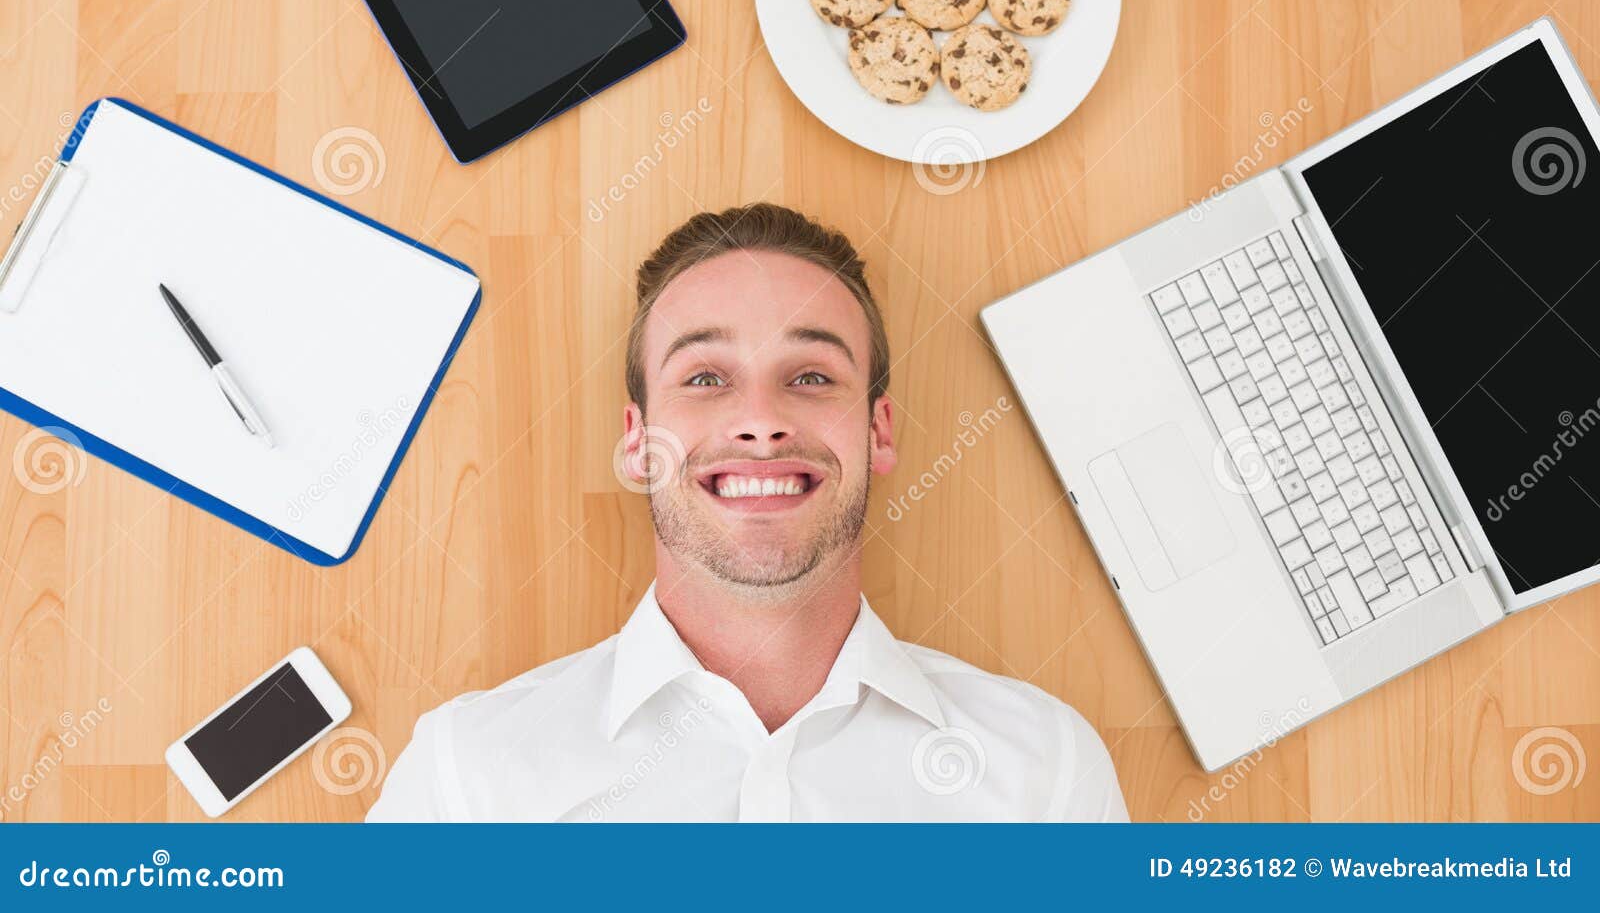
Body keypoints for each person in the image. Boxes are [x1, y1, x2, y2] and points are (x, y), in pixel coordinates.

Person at [367, 203, 1127, 821]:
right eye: (703, 377)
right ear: (637, 443)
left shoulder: (1045, 777)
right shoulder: (467, 776)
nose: (760, 420)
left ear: (878, 431)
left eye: (809, 374)